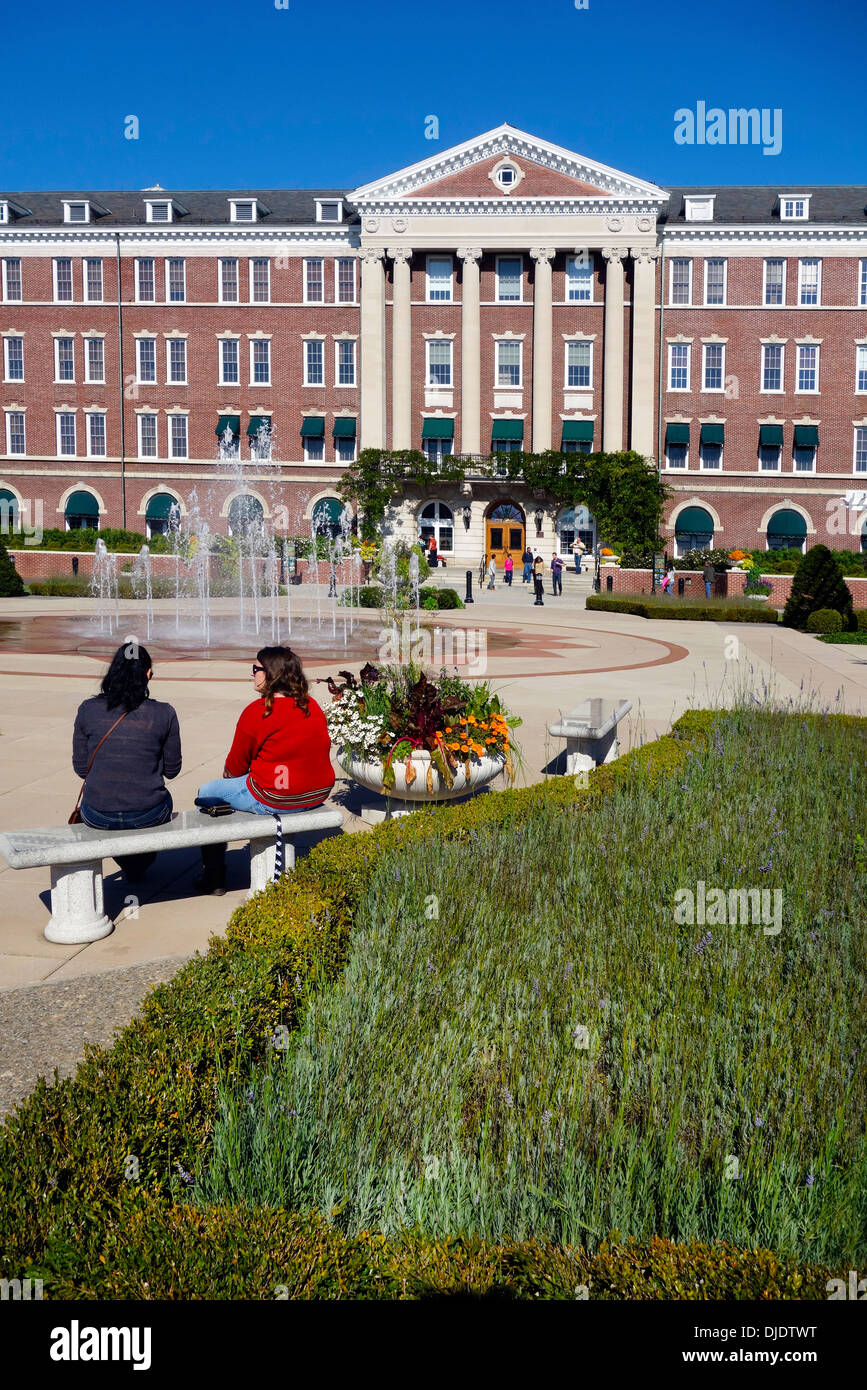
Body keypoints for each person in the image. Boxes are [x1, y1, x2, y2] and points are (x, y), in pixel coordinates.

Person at [195, 646, 335, 894]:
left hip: (273, 797)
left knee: (206, 791)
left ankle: (214, 876)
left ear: (271, 674)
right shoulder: (310, 705)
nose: (253, 674)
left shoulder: (256, 711)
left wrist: (232, 780)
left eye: (256, 669)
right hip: (316, 793)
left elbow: (235, 768)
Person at [72, 642, 181, 881]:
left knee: (125, 808)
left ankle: (132, 864)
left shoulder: (88, 709)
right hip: (148, 812)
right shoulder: (164, 713)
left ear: (113, 672)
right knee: (162, 800)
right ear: (148, 674)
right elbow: (172, 770)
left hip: (98, 813)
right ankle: (138, 863)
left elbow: (81, 769)